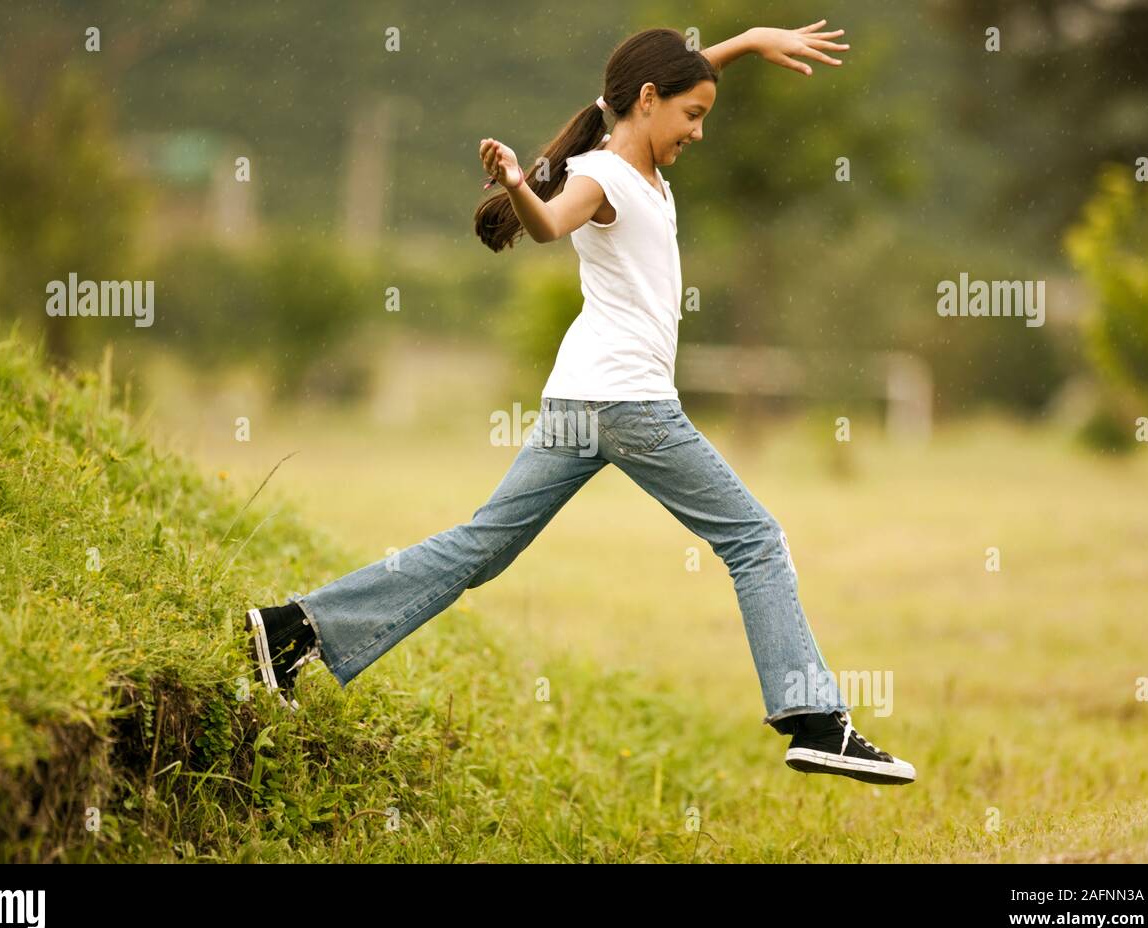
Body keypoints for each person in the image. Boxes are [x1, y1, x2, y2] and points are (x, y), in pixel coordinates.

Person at [246, 23, 914, 785]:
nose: (698, 131)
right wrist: (520, 187)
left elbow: (675, 78)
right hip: (628, 402)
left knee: (481, 546)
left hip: (580, 396)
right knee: (757, 540)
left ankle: (292, 630)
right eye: (692, 116)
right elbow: (550, 225)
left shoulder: (638, 148)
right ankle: (816, 719)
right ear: (650, 100)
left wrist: (750, 42)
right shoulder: (600, 176)